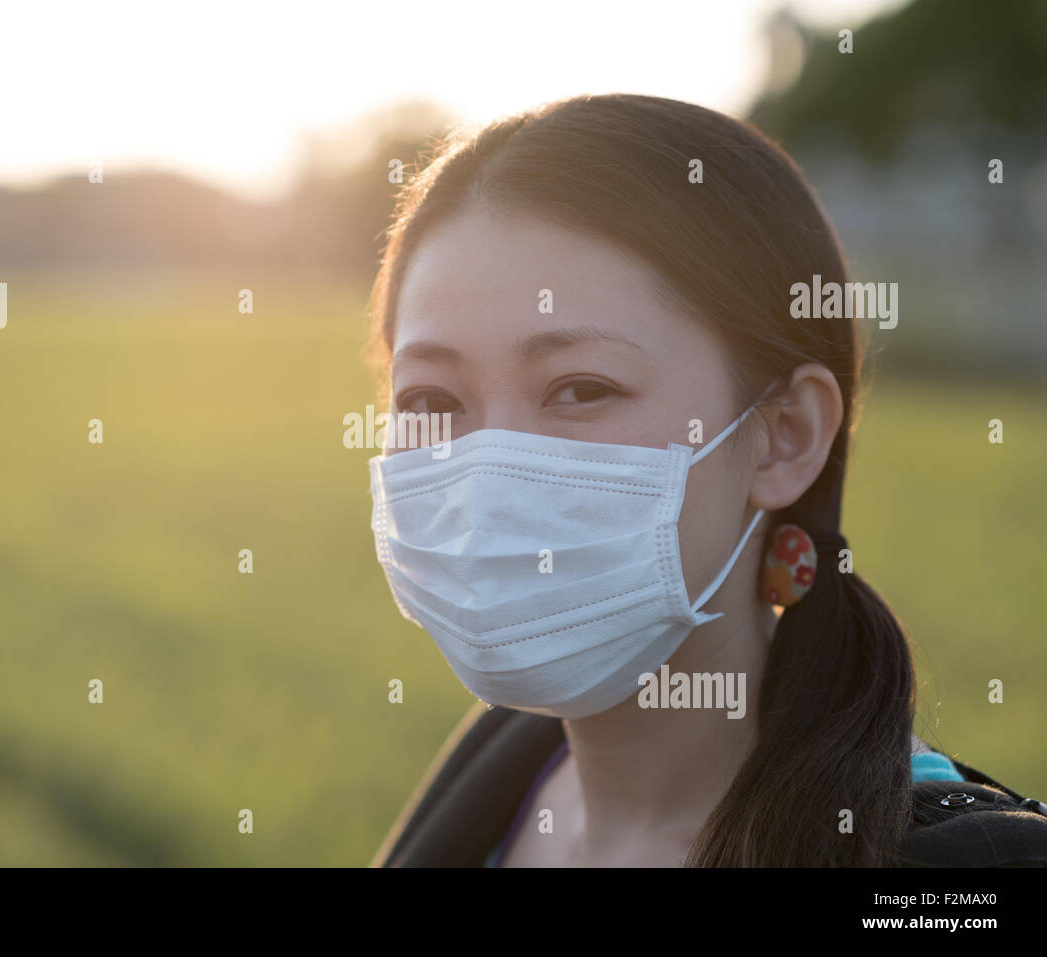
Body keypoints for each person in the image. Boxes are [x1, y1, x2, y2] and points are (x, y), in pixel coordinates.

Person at [362, 93, 1047, 867]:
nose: (490, 470)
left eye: (581, 388)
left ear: (785, 436)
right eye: (430, 400)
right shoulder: (503, 760)